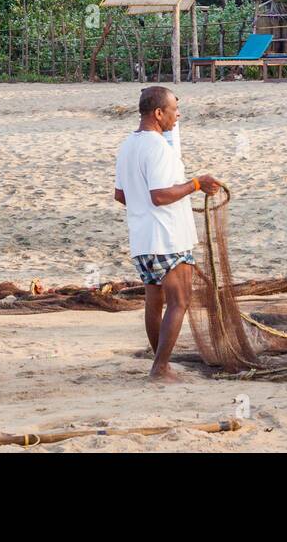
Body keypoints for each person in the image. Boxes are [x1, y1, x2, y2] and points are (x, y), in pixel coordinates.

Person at [113, 86, 221, 383]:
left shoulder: (128, 145)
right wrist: (196, 184)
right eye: (174, 110)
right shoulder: (158, 147)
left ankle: (161, 361)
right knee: (179, 300)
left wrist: (143, 206)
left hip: (142, 239)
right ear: (158, 113)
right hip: (167, 238)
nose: (177, 115)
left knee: (154, 300)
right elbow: (160, 195)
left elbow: (121, 195)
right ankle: (160, 368)